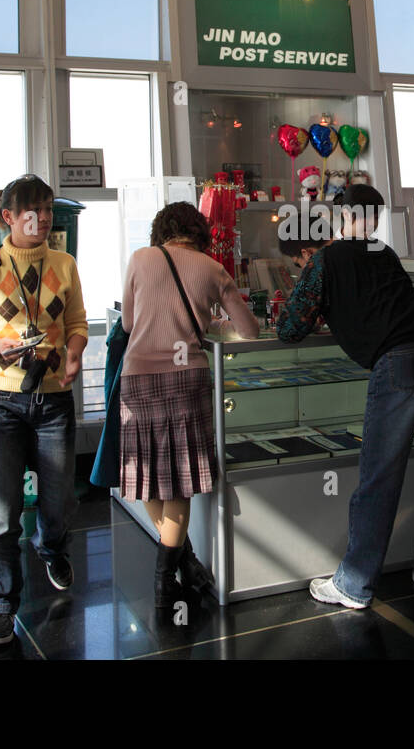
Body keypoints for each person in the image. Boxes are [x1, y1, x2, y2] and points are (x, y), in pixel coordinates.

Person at [275, 186, 414, 608]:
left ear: (340, 214)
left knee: (379, 474)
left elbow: (290, 328)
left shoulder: (326, 259)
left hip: (402, 360)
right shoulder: (385, 252)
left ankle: (354, 584)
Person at [0, 174, 89, 648]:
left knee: (58, 500)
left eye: (49, 209)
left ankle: (51, 546)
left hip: (52, 399)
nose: (44, 218)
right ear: (8, 217)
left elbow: (76, 322)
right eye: (33, 210)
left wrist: (73, 354)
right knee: (0, 512)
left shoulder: (65, 263)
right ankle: (0, 606)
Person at [119, 202, 260, 607]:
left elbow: (130, 326)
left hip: (138, 378)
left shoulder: (141, 259)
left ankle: (181, 564)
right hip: (186, 380)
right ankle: (169, 576)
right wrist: (212, 322)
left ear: (160, 230)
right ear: (200, 232)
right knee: (180, 479)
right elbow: (249, 331)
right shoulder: (212, 269)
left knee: (146, 471)